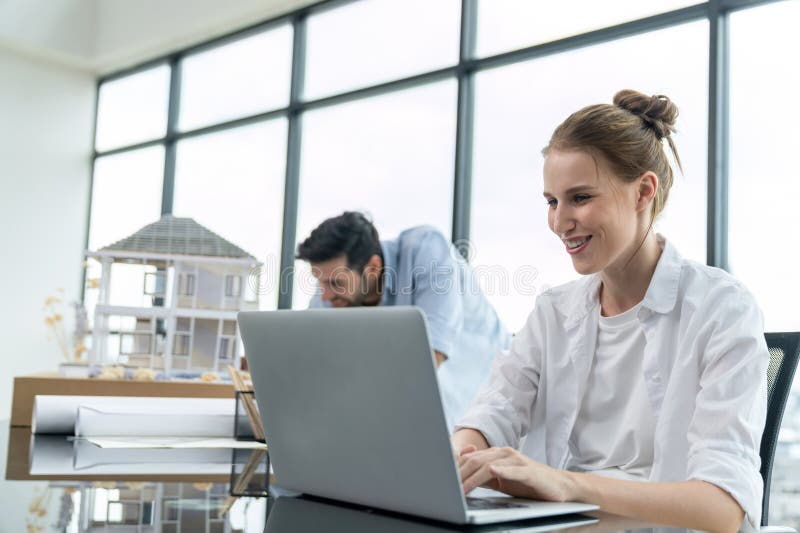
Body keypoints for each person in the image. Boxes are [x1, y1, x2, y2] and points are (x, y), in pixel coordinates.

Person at [451, 90, 768, 533]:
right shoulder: (554, 312)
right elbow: (494, 411)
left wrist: (567, 485)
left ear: (643, 191)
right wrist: (463, 454)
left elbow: (722, 508)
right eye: (552, 201)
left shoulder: (722, 309)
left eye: (579, 197)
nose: (560, 222)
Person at [296, 212, 511, 430]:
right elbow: (318, 358)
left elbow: (428, 360)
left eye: (335, 283)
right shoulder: (335, 291)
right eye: (320, 282)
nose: (324, 295)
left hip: (494, 389)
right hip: (434, 403)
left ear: (373, 267)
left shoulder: (426, 249)